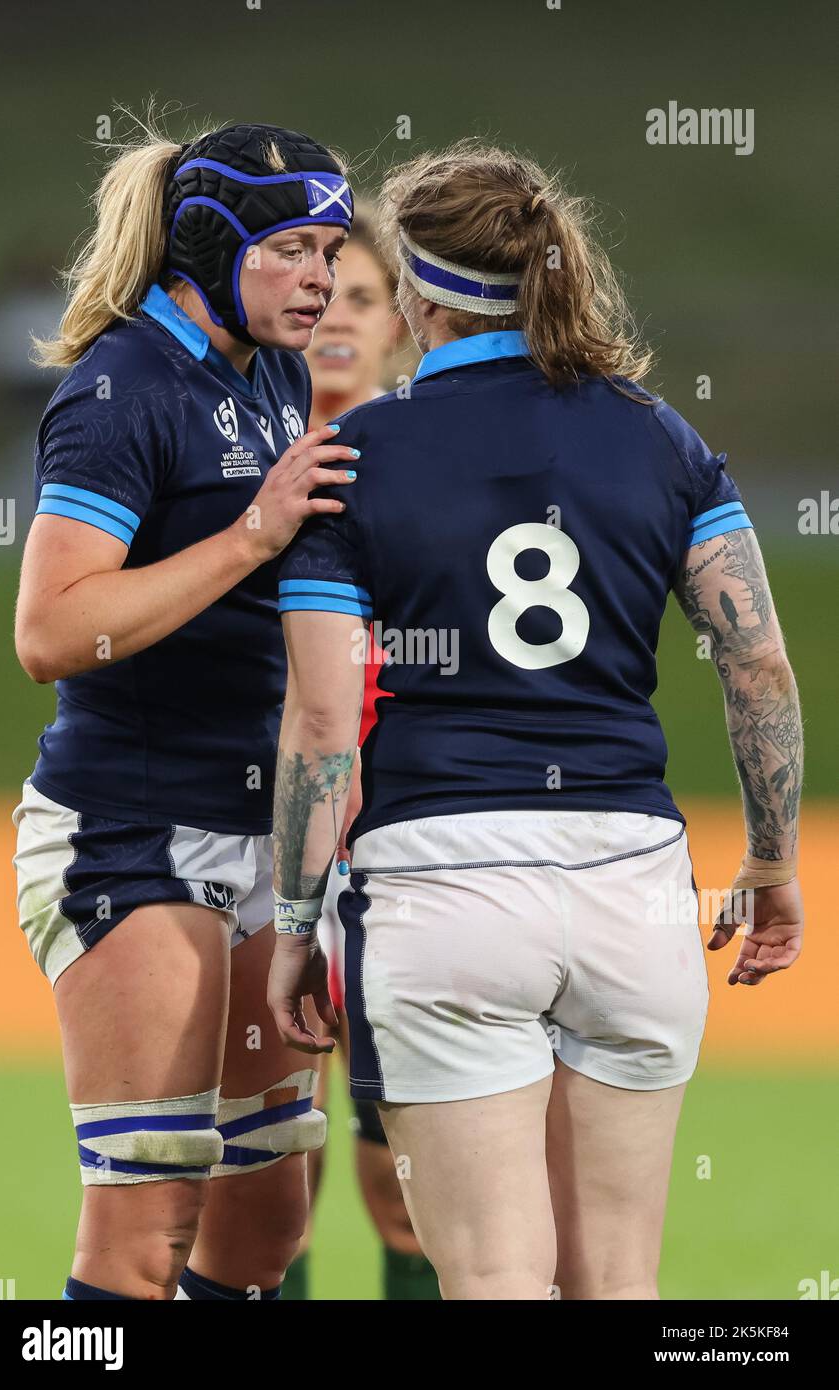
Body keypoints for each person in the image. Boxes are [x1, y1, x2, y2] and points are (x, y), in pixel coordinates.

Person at [266, 141, 805, 1300]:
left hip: (441, 888)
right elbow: (756, 665)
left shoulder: (354, 457)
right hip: (633, 886)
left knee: (498, 1280)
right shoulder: (661, 437)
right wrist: (771, 859)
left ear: (414, 295)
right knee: (618, 1284)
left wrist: (296, 925)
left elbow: (319, 723)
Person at [13, 117, 359, 1301]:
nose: (323, 279)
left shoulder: (271, 370)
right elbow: (51, 631)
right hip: (132, 831)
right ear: (211, 248)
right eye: (298, 249)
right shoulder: (121, 387)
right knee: (145, 1229)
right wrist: (252, 532)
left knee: (264, 1225)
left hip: (258, 832)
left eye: (333, 250)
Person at [284, 208, 438, 1301]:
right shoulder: (226, 456)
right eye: (322, 292)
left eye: (365, 297)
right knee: (270, 1175)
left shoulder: (434, 468)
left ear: (401, 325)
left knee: (411, 1186)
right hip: (257, 839)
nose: (337, 313)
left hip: (406, 852)